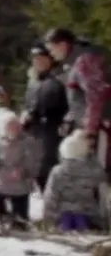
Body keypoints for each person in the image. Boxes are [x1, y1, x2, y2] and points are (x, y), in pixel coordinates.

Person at [44, 28, 107, 159]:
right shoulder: (73, 62)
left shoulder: (85, 61)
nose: (51, 54)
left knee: (95, 169)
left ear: (62, 45)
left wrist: (90, 130)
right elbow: (77, 98)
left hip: (99, 126)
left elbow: (95, 95)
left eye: (52, 49)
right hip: (84, 123)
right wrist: (70, 119)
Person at [23, 44, 69, 191]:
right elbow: (30, 103)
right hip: (34, 129)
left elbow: (69, 104)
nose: (38, 62)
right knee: (36, 169)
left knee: (50, 168)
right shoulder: (33, 80)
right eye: (35, 59)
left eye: (42, 59)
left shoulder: (61, 79)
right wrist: (26, 114)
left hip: (53, 129)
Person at [45, 131, 104, 232]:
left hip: (63, 213)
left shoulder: (57, 171)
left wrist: (48, 217)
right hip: (87, 212)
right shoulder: (92, 170)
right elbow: (102, 178)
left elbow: (51, 195)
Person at [0, 111, 35, 230]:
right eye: (11, 126)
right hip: (2, 175)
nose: (15, 129)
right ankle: (2, 216)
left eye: (16, 125)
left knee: (21, 223)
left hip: (21, 177)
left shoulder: (28, 141)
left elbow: (32, 161)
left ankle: (19, 218)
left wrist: (22, 171)